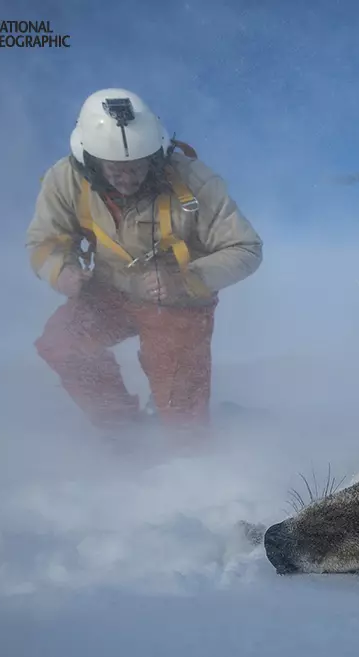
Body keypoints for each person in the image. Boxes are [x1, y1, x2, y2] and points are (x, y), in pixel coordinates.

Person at [26, 88, 263, 441]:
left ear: (155, 156)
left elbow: (247, 248)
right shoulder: (66, 180)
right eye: (115, 171)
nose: (128, 179)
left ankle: (189, 456)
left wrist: (185, 280)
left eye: (137, 168)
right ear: (90, 163)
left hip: (180, 302)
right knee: (62, 344)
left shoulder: (194, 181)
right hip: (106, 292)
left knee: (182, 415)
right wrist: (61, 272)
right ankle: (125, 433)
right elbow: (45, 241)